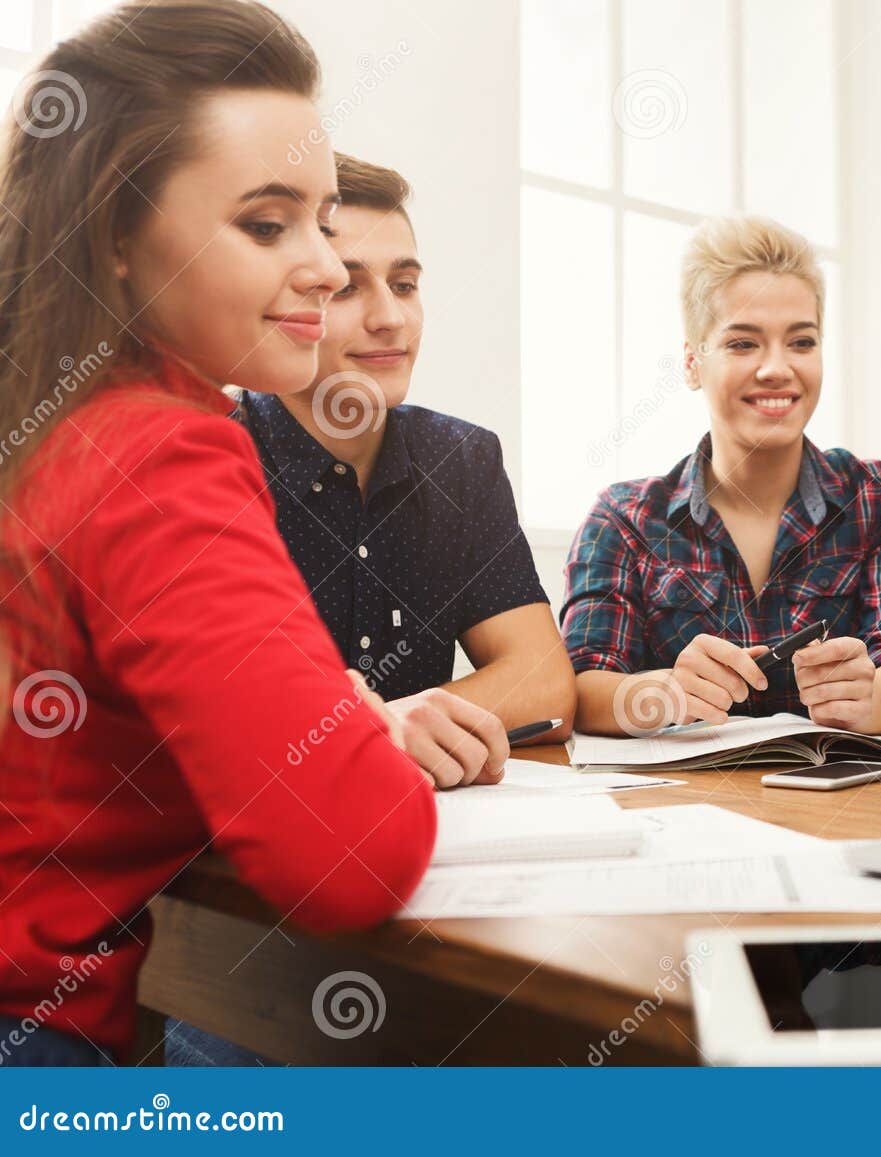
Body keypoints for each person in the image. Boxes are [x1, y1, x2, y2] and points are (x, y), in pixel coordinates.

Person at [0, 0, 435, 1065]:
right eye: (266, 225)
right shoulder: (160, 452)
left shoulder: (50, 422)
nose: (327, 268)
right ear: (115, 238)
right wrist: (353, 729)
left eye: (323, 219)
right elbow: (350, 857)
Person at [234, 153, 576, 789]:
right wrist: (372, 731)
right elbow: (205, 719)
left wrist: (389, 725)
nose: (390, 318)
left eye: (405, 284)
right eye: (346, 287)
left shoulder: (462, 459)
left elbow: (545, 683)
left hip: (433, 822)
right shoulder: (211, 458)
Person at [562, 215, 881, 736]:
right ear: (692, 363)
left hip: (834, 785)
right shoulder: (623, 518)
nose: (777, 369)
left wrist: (870, 697)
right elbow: (582, 684)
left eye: (802, 342)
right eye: (743, 344)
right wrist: (665, 692)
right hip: (674, 787)